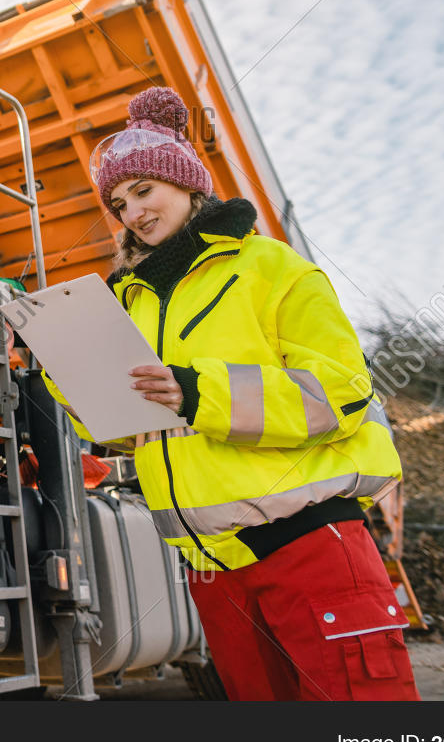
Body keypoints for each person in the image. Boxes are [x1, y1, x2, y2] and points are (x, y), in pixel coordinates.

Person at [43, 85, 420, 700]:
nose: (132, 212)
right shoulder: (132, 303)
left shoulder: (273, 268)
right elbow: (122, 425)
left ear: (188, 184)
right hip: (214, 571)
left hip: (309, 548)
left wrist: (197, 393)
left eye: (144, 191)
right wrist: (58, 367)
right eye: (118, 203)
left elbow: (341, 392)